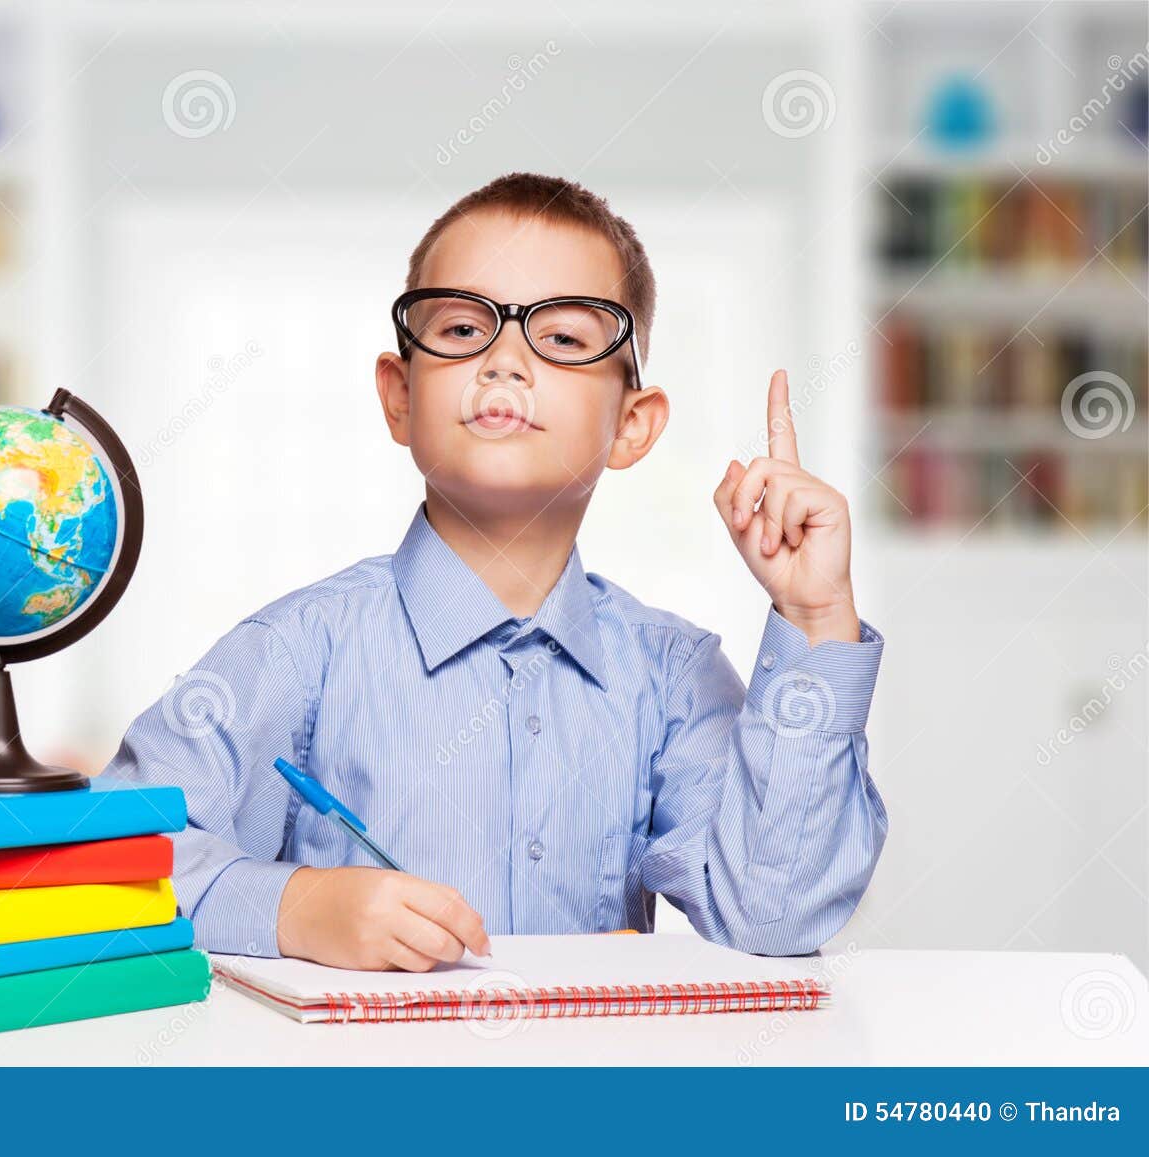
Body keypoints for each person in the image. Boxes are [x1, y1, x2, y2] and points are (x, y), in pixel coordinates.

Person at [107, 171, 885, 969]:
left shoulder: (673, 677)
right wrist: (293, 905)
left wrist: (817, 616)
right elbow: (106, 863)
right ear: (399, 396)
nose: (505, 360)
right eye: (460, 329)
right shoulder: (294, 650)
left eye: (565, 339)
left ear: (632, 426)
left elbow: (776, 915)